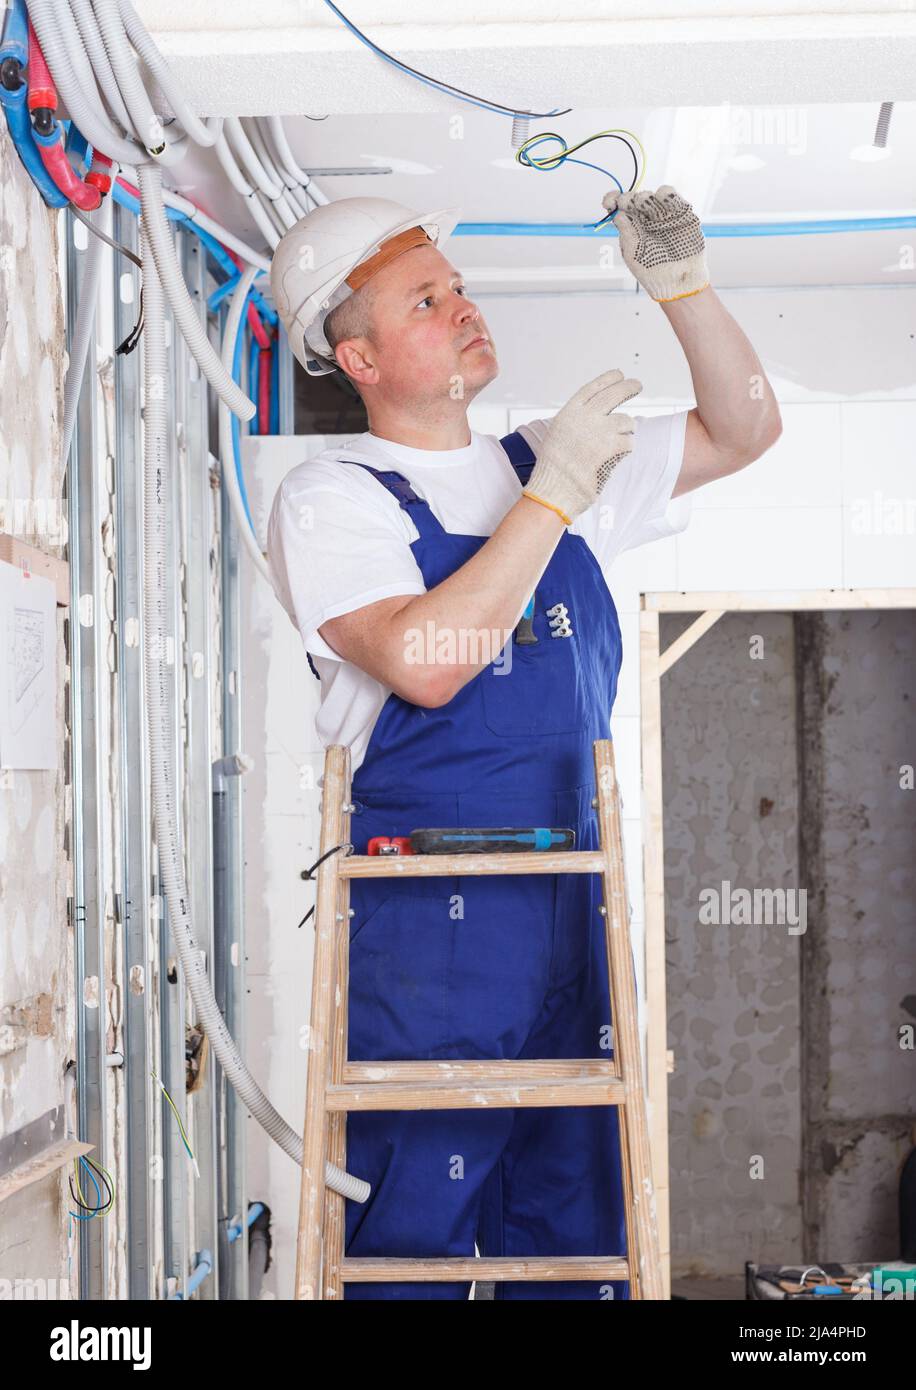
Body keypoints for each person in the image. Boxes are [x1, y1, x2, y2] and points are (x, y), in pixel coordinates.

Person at [267, 189, 782, 1299]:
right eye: (423, 300)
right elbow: (430, 658)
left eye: (456, 288)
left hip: (576, 896)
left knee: (575, 1223)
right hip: (430, 922)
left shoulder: (547, 456)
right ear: (355, 354)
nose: (462, 309)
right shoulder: (332, 498)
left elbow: (744, 428)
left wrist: (682, 287)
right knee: (410, 1228)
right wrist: (548, 498)